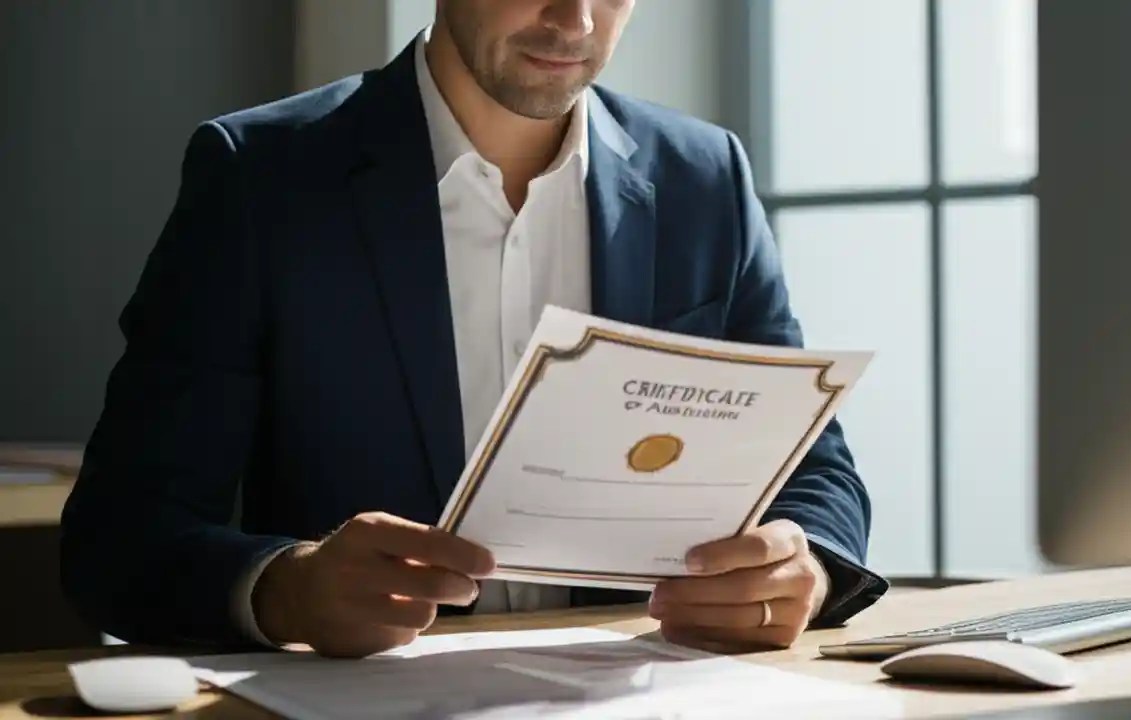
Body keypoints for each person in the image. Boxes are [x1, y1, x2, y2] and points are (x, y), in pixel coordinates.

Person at [61, 0, 886, 658]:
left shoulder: (703, 177)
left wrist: (804, 566)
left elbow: (814, 468)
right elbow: (120, 538)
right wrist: (286, 589)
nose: (575, 20)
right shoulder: (261, 177)